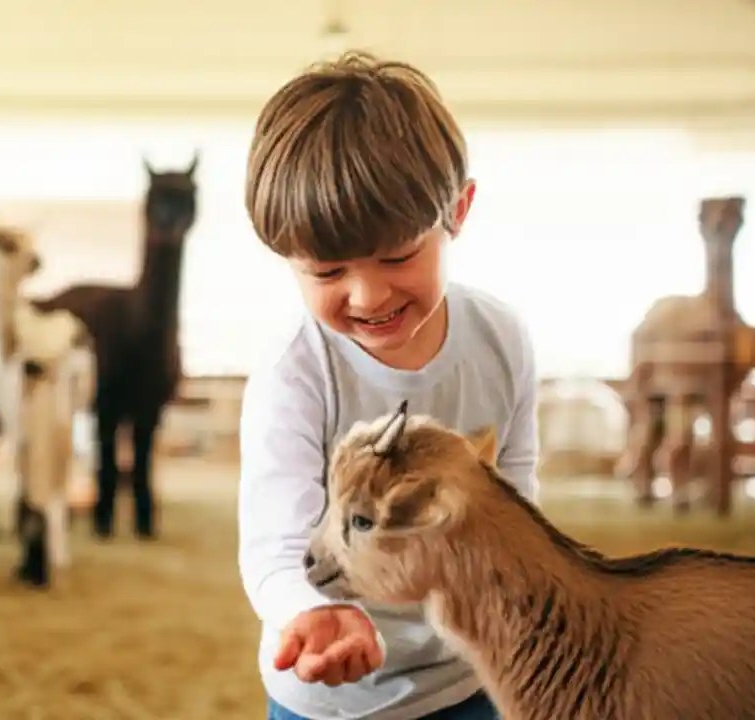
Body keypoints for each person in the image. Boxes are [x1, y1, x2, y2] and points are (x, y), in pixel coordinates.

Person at [237, 51, 540, 720]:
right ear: (284, 257)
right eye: (326, 272)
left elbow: (515, 489)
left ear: (457, 210)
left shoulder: (500, 339)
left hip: (471, 680)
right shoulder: (297, 369)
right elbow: (275, 545)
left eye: (399, 256)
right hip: (332, 696)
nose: (368, 294)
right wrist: (313, 614)